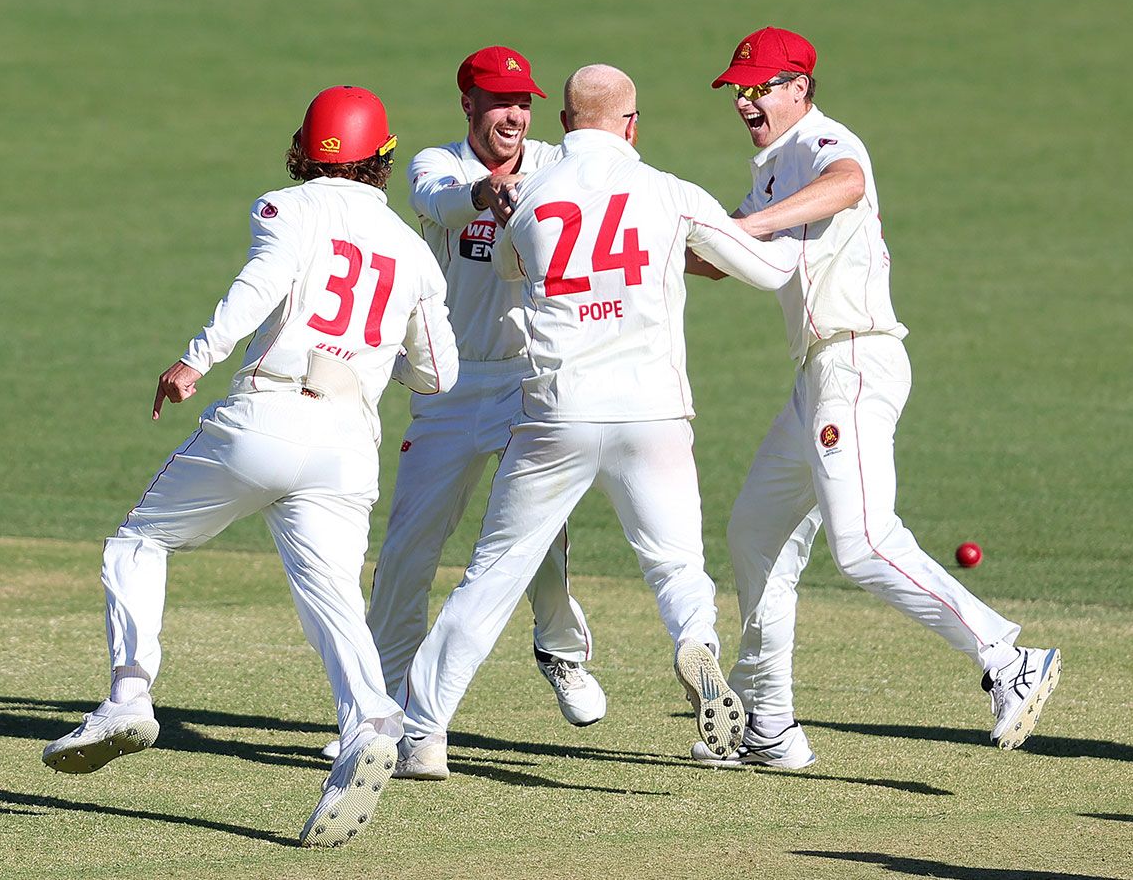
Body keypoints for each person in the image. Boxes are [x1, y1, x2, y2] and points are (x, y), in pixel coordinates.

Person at [40, 86, 459, 846]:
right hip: (344, 443)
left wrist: (195, 358)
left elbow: (260, 285)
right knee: (331, 593)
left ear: (305, 150)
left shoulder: (284, 207)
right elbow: (438, 374)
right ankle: (370, 716)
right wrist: (370, 358)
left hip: (266, 416)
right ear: (383, 160)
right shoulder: (411, 249)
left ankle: (130, 696)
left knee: (138, 542)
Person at [393, 64, 800, 780]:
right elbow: (765, 273)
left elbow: (514, 272)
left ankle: (423, 733)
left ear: (565, 122)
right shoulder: (670, 191)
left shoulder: (532, 196)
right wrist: (801, 225)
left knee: (492, 575)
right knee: (678, 567)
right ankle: (694, 640)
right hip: (654, 413)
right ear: (632, 124)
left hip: (557, 411)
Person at [692, 27, 1060, 770]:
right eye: (739, 87)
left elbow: (851, 181)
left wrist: (749, 223)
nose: (747, 99)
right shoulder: (771, 167)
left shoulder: (822, 141)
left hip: (856, 361)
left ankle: (1007, 655)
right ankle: (770, 722)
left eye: (761, 86)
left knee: (862, 544)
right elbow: (729, 258)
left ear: (800, 86)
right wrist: (662, 240)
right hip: (816, 379)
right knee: (754, 534)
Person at [364, 46, 604, 734]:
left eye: (524, 102)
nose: (515, 115)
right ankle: (377, 707)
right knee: (410, 547)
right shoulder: (438, 165)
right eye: (500, 101)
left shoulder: (560, 163)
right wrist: (484, 195)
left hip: (528, 380)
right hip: (447, 383)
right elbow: (436, 203)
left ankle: (559, 651)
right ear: (467, 103)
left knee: (536, 531)